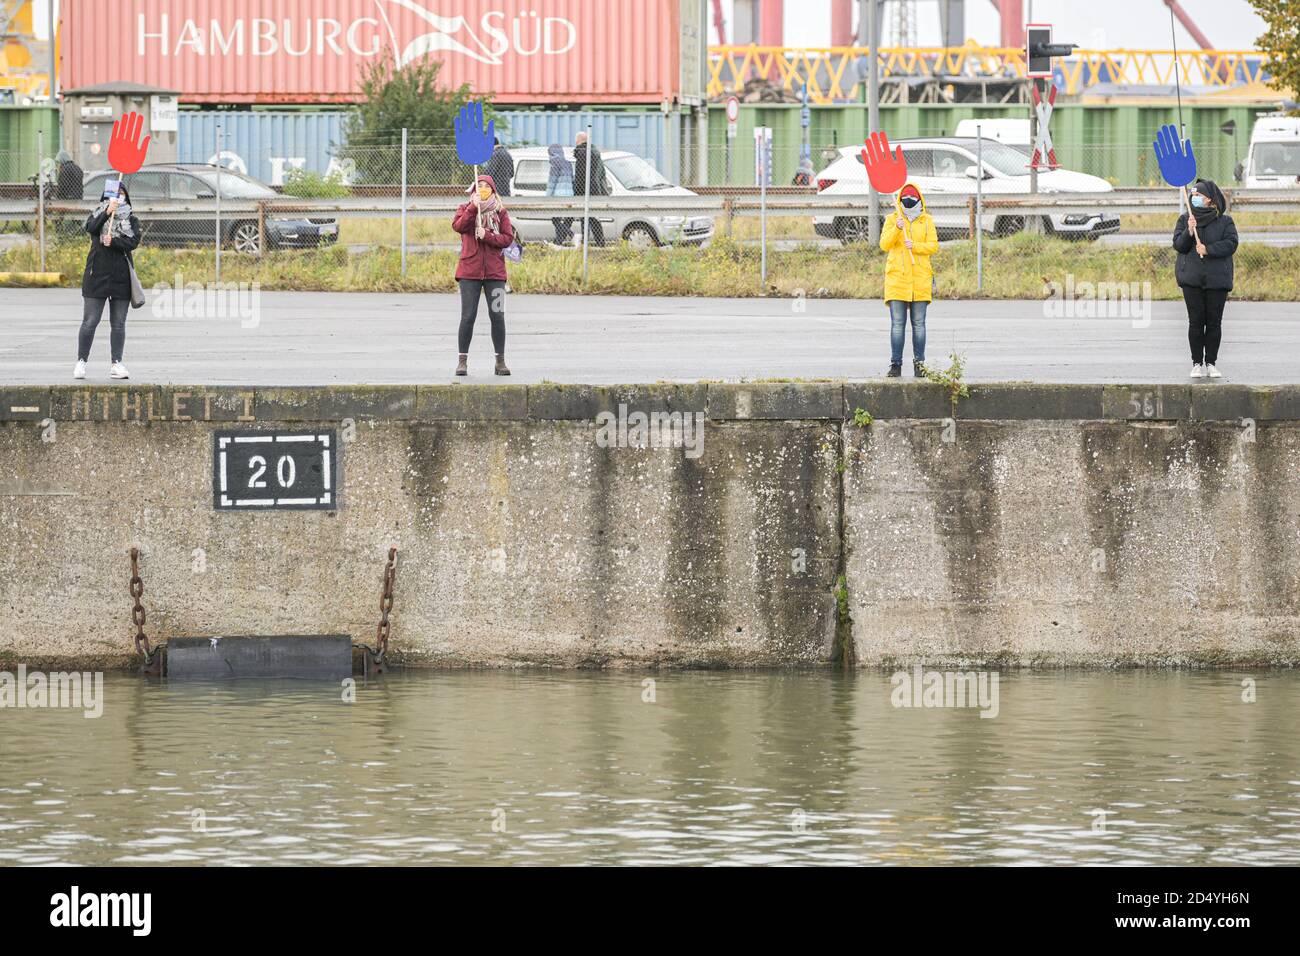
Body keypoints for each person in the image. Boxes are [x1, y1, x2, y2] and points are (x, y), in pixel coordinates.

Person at [75, 181, 141, 381]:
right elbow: (91, 228)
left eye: (121, 194)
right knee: (90, 321)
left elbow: (133, 241)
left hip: (121, 278)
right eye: (114, 194)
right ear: (106, 197)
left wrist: (114, 242)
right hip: (97, 276)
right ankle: (81, 361)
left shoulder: (132, 219)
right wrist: (106, 212)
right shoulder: (98, 214)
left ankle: (116, 363)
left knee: (118, 323)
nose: (118, 197)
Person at [1173, 179, 1238, 379]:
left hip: (1217, 280)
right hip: (1192, 279)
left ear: (1210, 199)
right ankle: (1196, 363)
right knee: (1195, 322)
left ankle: (1211, 362)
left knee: (1214, 323)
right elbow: (1179, 245)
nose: (1195, 198)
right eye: (1193, 195)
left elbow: (1231, 244)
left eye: (1199, 195)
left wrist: (1208, 249)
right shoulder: (1186, 219)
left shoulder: (1225, 222)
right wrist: (1189, 231)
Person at [451, 174, 514, 377]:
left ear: (494, 190)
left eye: (487, 186)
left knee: (498, 316)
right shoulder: (465, 208)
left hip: (495, 274)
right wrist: (472, 208)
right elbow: (459, 227)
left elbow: (507, 238)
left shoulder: (501, 212)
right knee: (468, 316)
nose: (484, 189)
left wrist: (487, 236)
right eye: (480, 186)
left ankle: (500, 361)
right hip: (470, 273)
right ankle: (462, 361)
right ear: (474, 190)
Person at [879, 182, 939, 378]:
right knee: (898, 324)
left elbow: (933, 246)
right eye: (905, 200)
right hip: (897, 279)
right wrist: (897, 228)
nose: (909, 203)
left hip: (920, 279)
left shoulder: (926, 220)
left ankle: (919, 364)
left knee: (919, 323)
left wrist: (915, 246)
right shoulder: (892, 219)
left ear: (920, 200)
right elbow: (884, 244)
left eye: (913, 200)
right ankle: (895, 364)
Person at [572, 132, 608, 245]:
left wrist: (576, 192)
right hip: (595, 189)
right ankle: (598, 242)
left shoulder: (582, 154)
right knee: (592, 217)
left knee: (587, 218)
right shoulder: (595, 152)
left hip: (585, 191)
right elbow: (602, 173)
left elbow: (580, 175)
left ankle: (588, 241)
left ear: (578, 141)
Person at [546, 143, 575, 246]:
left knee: (555, 219)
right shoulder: (568, 164)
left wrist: (547, 198)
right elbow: (572, 179)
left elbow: (552, 183)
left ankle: (572, 235)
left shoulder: (555, 165)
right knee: (566, 218)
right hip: (569, 194)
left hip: (558, 196)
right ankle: (558, 242)